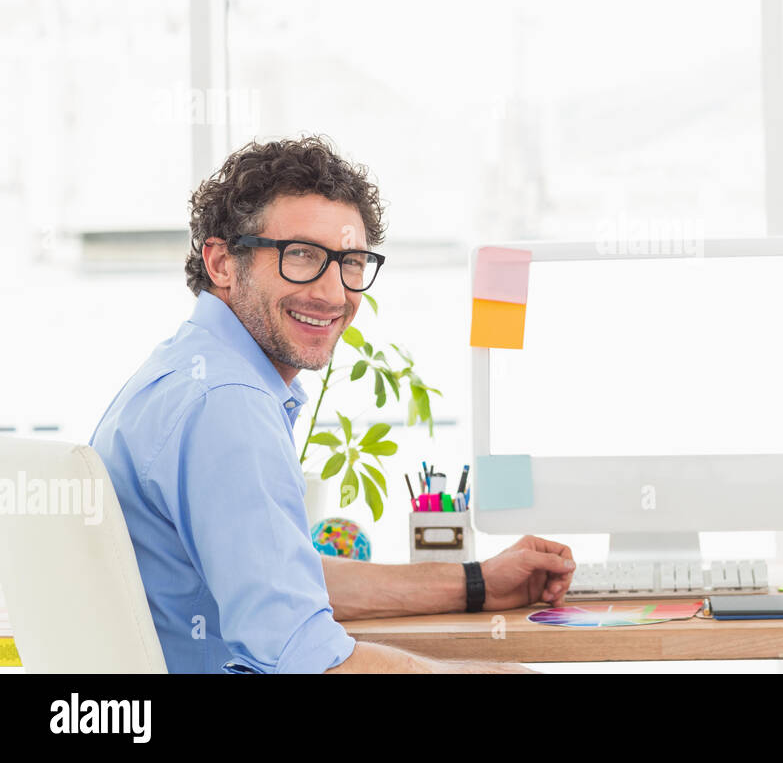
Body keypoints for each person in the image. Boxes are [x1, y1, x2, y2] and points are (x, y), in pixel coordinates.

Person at [91, 135, 575, 673]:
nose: (332, 294)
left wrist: (476, 583)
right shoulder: (227, 404)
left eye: (350, 262)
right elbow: (304, 660)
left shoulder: (186, 372)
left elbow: (283, 582)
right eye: (301, 255)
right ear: (223, 262)